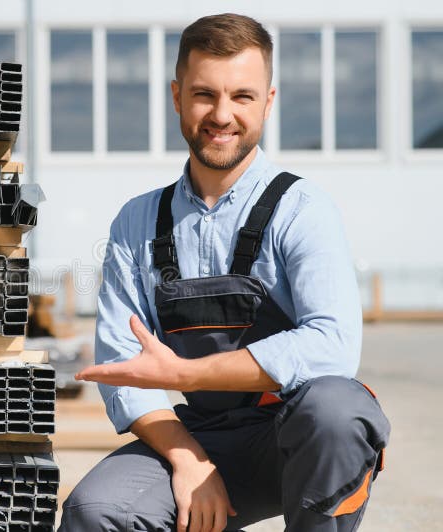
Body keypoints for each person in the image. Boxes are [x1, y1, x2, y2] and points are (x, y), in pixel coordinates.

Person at [58, 13, 390, 532]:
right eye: (204, 94)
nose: (222, 114)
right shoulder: (137, 222)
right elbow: (127, 371)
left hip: (294, 434)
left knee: (339, 412)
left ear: (269, 102)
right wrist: (190, 461)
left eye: (242, 96)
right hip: (199, 435)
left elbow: (333, 345)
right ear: (176, 97)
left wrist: (186, 374)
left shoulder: (303, 209)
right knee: (96, 512)